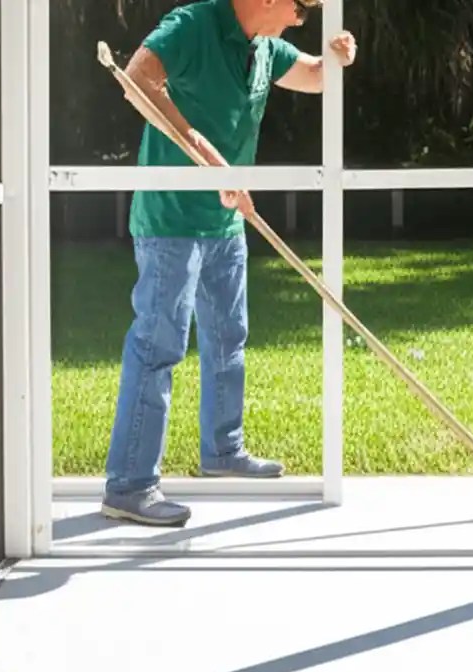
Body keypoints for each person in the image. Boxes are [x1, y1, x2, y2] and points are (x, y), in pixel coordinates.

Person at [101, 0, 356, 526]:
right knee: (158, 345)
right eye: (300, 9)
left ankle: (223, 451)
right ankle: (129, 484)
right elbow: (136, 78)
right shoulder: (194, 25)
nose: (299, 19)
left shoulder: (261, 46)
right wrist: (201, 151)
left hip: (225, 220)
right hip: (172, 218)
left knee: (228, 336)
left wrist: (337, 58)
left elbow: (312, 76)